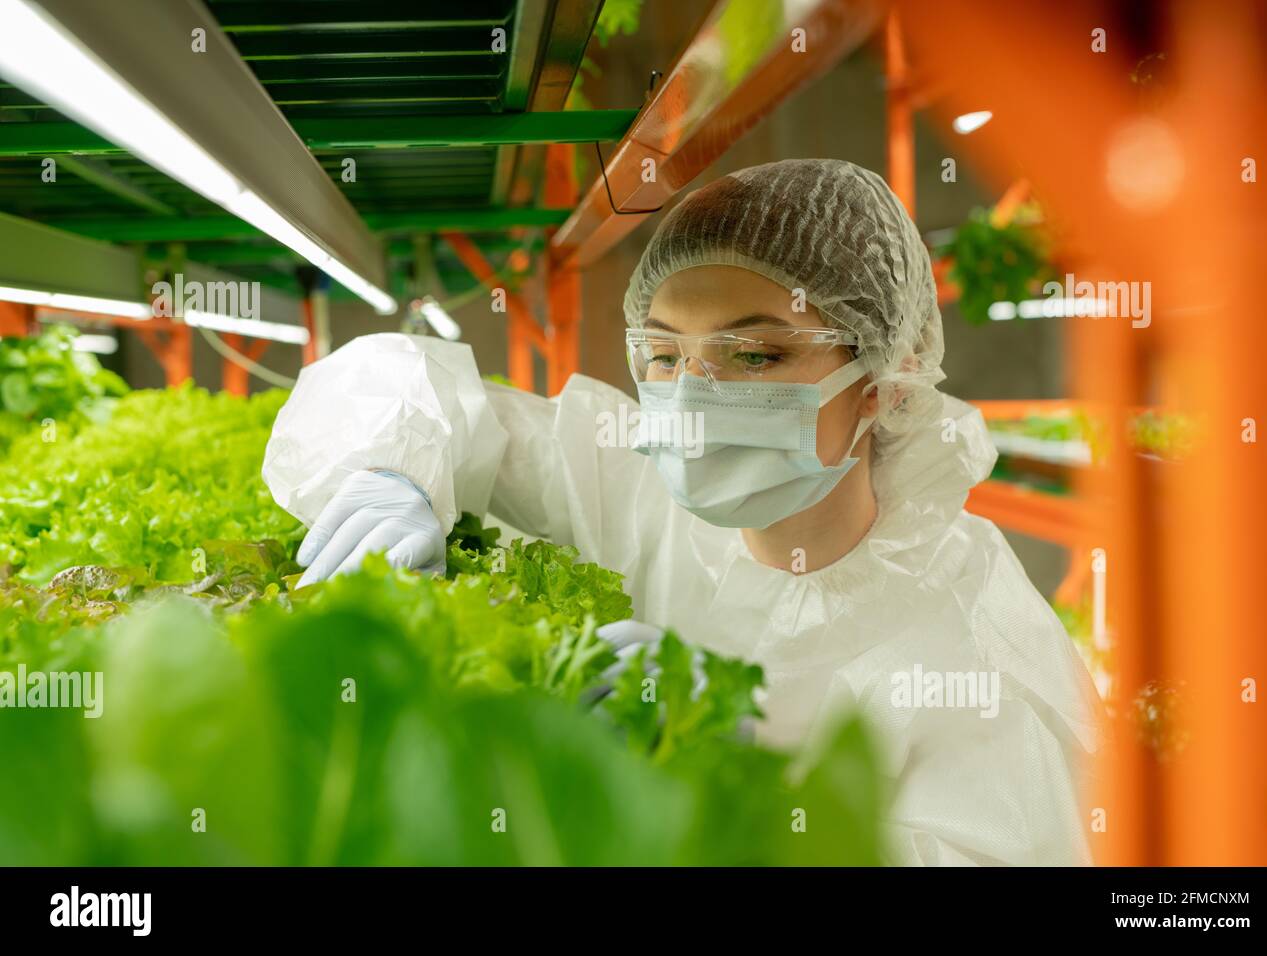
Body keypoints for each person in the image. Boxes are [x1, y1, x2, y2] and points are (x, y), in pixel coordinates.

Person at [263, 158, 1101, 866]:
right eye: (664, 354)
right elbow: (399, 385)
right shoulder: (633, 480)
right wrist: (390, 470)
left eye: (756, 354)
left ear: (884, 383)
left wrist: (750, 790)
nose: (694, 399)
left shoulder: (977, 644)